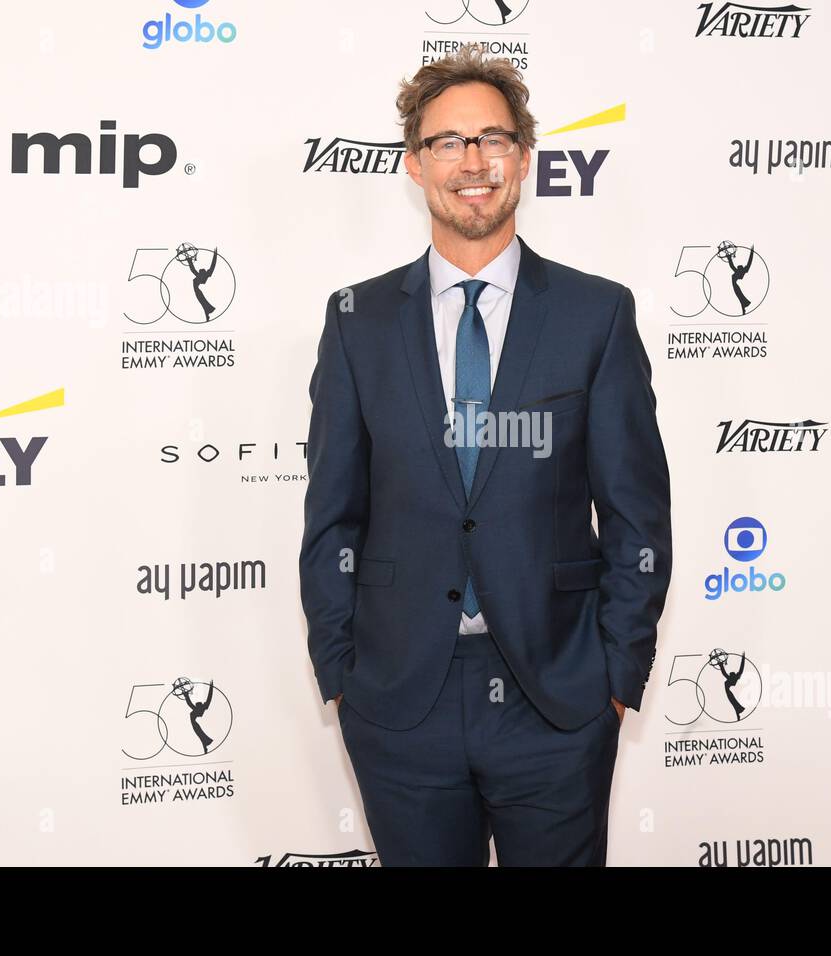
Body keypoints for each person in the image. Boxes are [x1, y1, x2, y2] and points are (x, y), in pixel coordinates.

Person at [299, 44, 672, 866]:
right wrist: (342, 675)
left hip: (558, 700)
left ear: (524, 159)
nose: (472, 161)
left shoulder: (596, 315)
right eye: (447, 142)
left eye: (493, 139)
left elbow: (637, 511)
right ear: (414, 165)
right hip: (400, 704)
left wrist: (614, 677)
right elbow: (332, 515)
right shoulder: (357, 322)